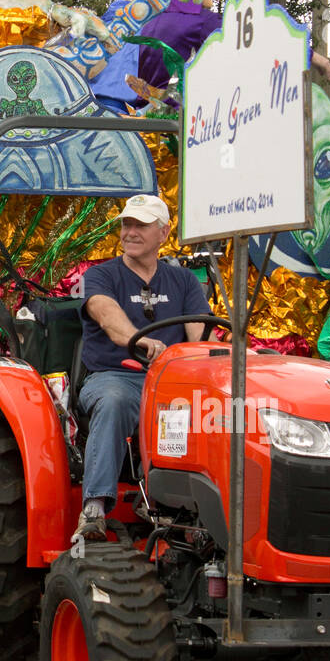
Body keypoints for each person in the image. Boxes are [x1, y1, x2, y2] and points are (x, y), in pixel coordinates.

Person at [74, 193, 209, 540]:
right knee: (115, 401)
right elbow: (108, 316)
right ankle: (94, 508)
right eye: (126, 225)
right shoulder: (99, 276)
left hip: (171, 382)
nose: (130, 232)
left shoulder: (184, 281)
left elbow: (202, 335)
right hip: (116, 376)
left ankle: (198, 514)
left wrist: (236, 352)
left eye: (141, 225)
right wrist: (142, 341)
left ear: (163, 233)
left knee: (220, 408)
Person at [90, 0, 330, 115]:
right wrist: (315, 58)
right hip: (120, 110)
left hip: (91, 100)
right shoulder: (198, 20)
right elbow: (261, 36)